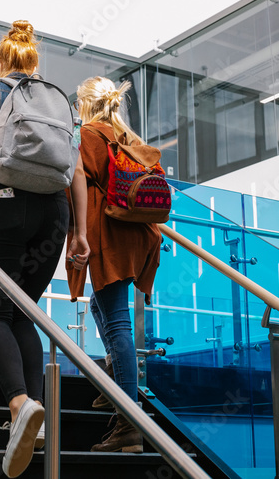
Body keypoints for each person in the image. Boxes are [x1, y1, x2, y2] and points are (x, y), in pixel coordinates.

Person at [0, 20, 89, 478]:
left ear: (2, 60)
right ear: (34, 63)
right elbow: (77, 173)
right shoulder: (61, 101)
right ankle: (36, 417)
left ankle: (20, 403)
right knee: (23, 311)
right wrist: (79, 233)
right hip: (54, 215)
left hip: (5, 207)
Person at [69, 76, 161, 454]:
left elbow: (73, 181)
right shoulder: (127, 137)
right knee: (101, 306)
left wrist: (78, 235)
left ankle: (129, 424)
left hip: (110, 235)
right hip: (138, 234)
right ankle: (115, 376)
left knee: (117, 319)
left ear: (86, 105)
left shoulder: (88, 135)